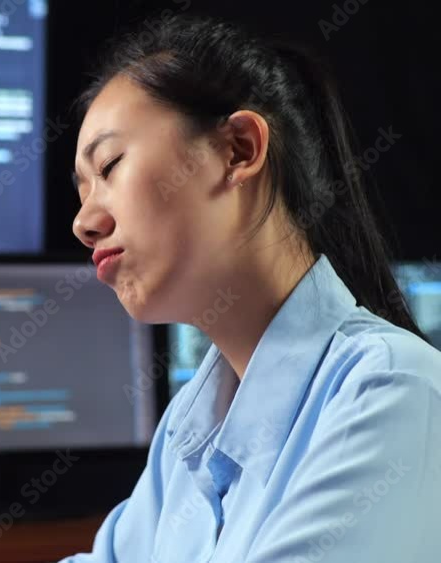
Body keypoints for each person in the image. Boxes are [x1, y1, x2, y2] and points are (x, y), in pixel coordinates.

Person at [62, 13, 441, 563]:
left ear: (239, 148)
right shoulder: (190, 424)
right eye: (80, 189)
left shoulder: (391, 393)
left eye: (111, 165)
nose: (84, 221)